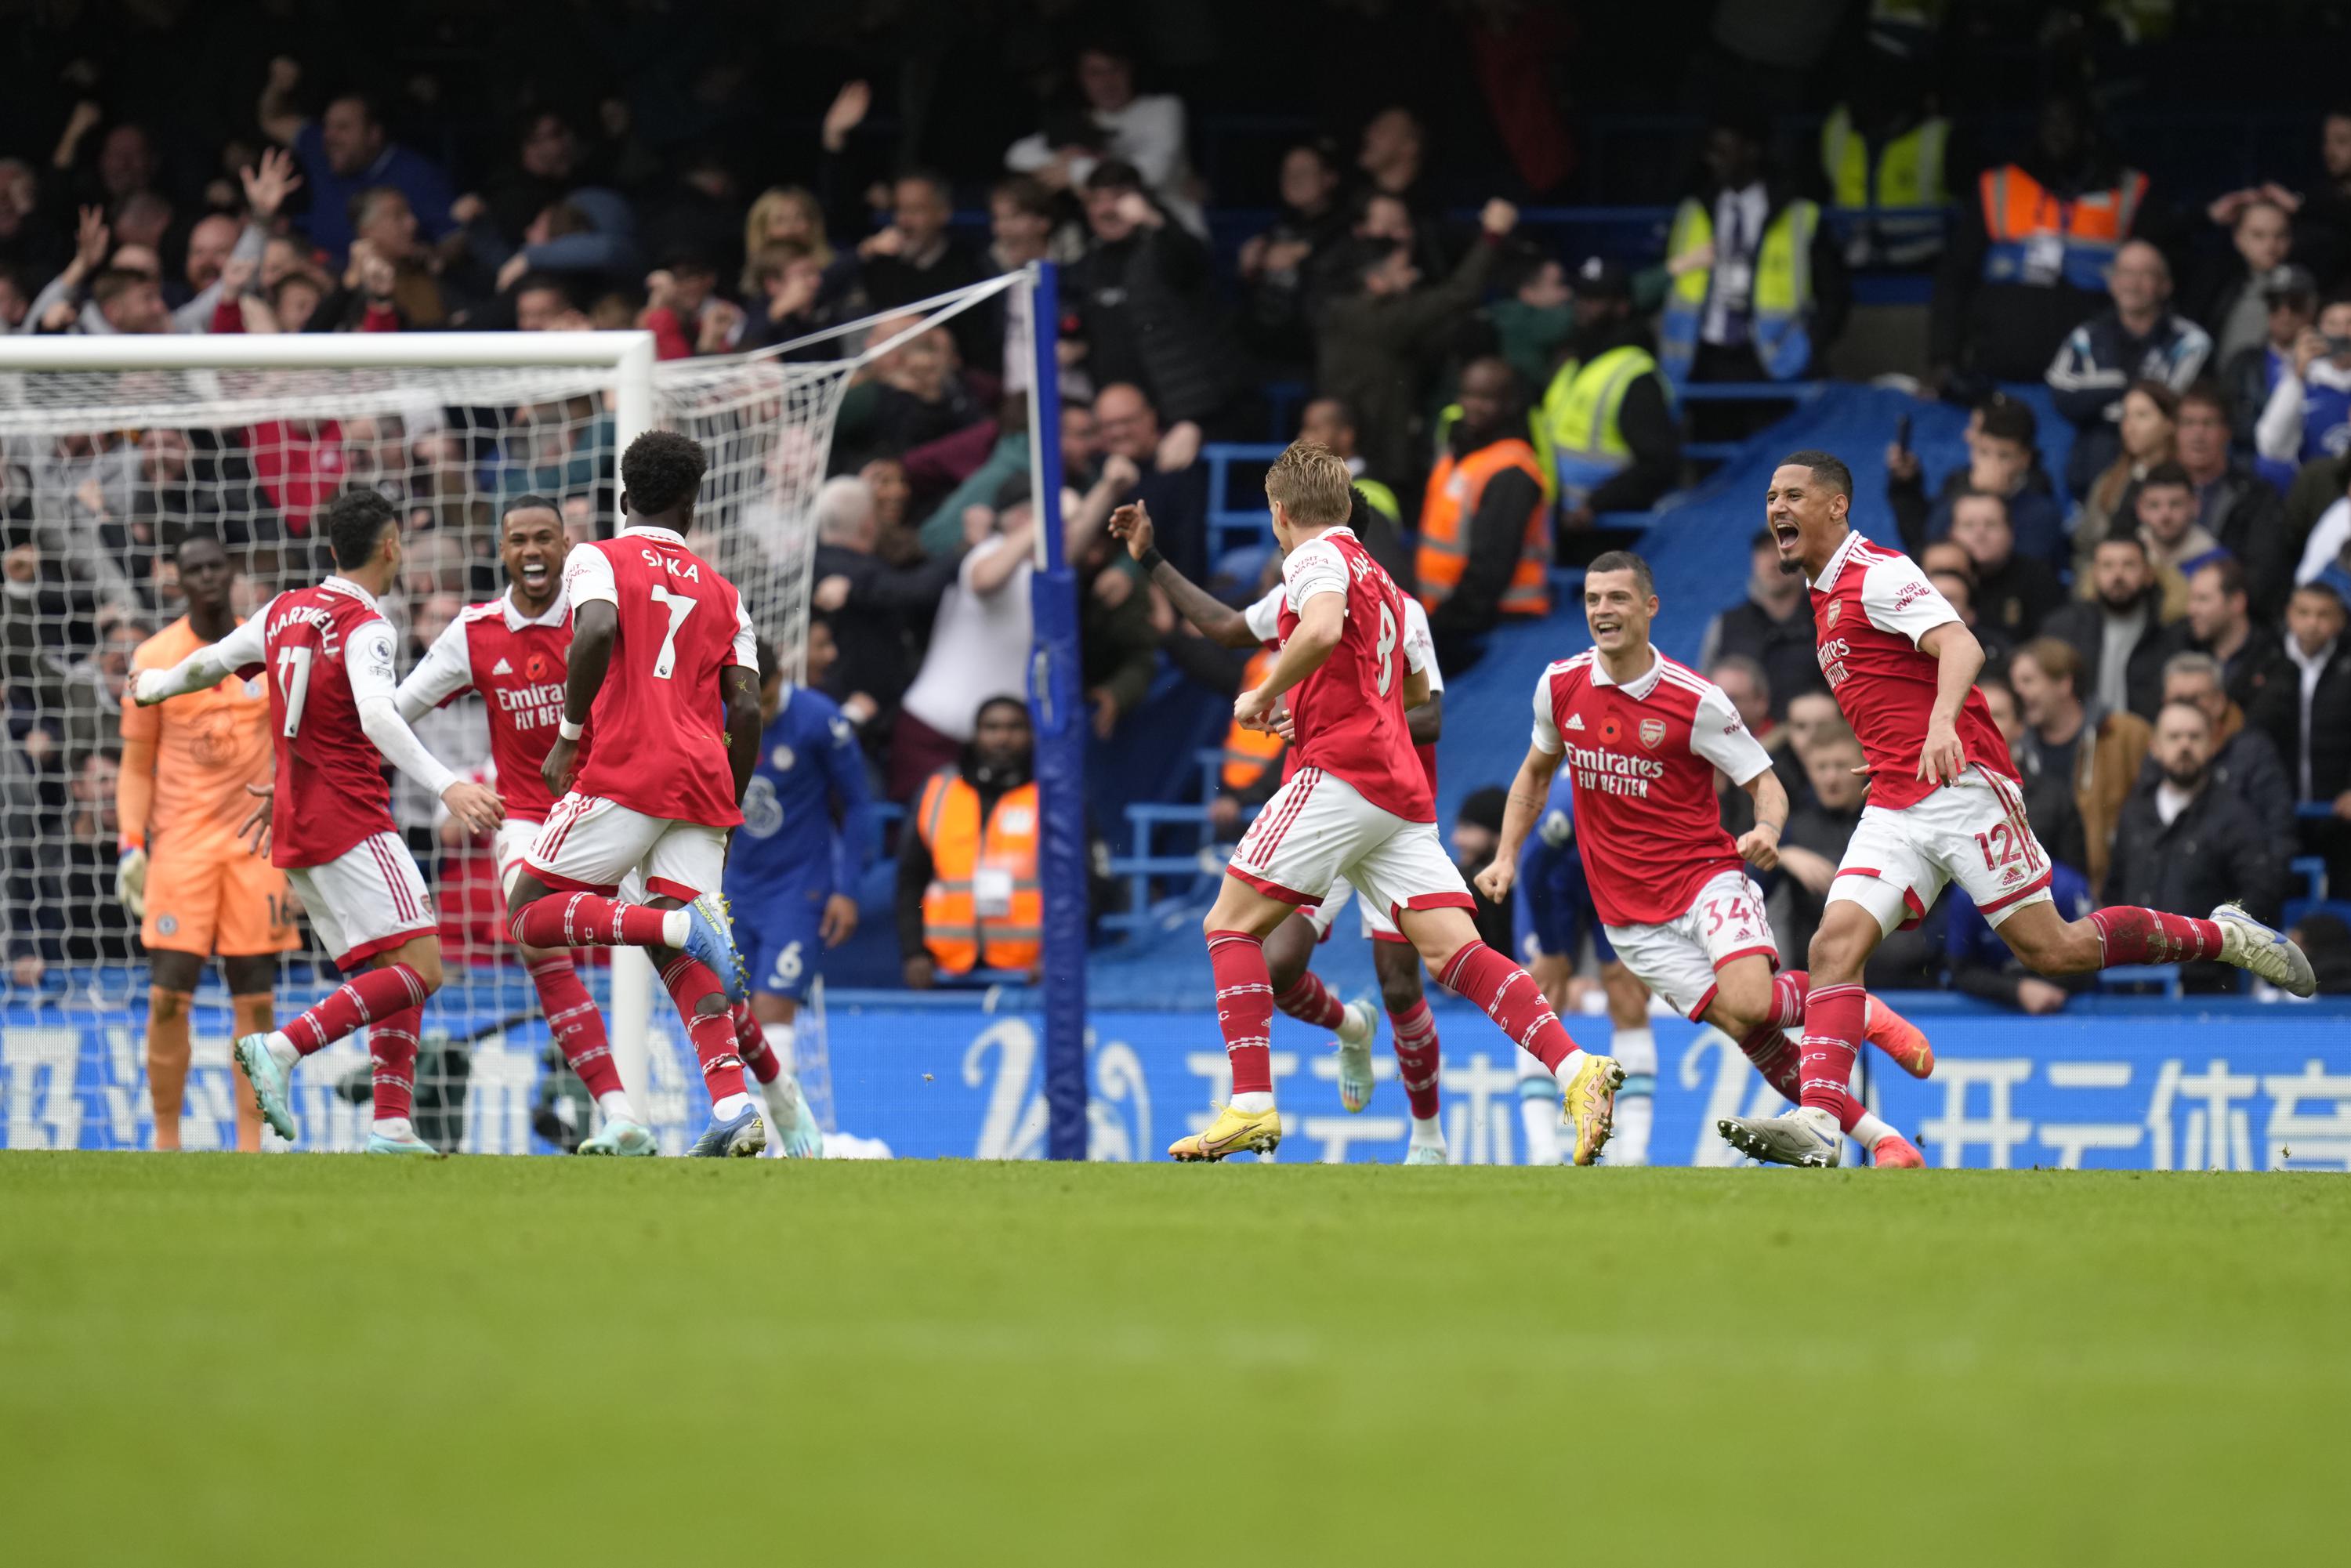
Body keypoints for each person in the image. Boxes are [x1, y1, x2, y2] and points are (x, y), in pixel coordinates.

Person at [1718, 452, 2313, 1169]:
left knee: (2052, 949)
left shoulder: (1877, 571)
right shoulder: (1822, 594)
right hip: (1898, 798)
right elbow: (1893, 683)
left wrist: (1940, 724)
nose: (1776, 508)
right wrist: (1892, 744)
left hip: (1965, 786)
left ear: (1837, 506)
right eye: (1770, 496)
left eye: (1792, 495)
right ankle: (1819, 1119)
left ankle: (2223, 935)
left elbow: (1961, 645)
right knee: (1831, 946)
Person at [1170, 443, 1625, 1164]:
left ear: (1279, 513)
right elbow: (1402, 694)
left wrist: (1262, 694)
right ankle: (1578, 1068)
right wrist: (1312, 708)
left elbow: (1318, 632)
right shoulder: (1383, 581)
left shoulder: (1313, 559)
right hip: (1398, 789)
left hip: (1343, 774)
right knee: (1456, 952)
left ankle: (1251, 1104)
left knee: (1228, 924)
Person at [1479, 553, 1931, 1170]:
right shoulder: (1560, 686)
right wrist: (1506, 854)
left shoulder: (1696, 701)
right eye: (1592, 599)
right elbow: (1533, 776)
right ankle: (1885, 1140)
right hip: (1629, 920)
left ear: (1649, 607)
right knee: (1753, 1033)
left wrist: (1767, 829)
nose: (1603, 611)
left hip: (1704, 882)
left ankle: (1857, 1005)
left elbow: (1767, 786)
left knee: (1750, 1002)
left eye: (1617, 598)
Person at [129, 491, 505, 1155]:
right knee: (424, 966)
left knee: (389, 970)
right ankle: (281, 1047)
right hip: (353, 820)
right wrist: (448, 784)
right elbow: (378, 714)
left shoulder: (282, 609)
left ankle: (389, 1124)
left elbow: (210, 663)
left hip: (295, 829)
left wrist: (155, 686)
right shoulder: (369, 623)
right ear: (391, 547)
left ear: (334, 549)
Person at [1112, 492, 1457, 1164]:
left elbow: (1431, 717)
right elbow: (1221, 624)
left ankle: (1428, 1138)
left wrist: (1345, 719)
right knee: (1278, 963)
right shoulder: (1299, 593)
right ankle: (1348, 1027)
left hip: (1385, 806)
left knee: (1400, 981)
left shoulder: (1397, 607)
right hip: (1324, 803)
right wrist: (1150, 557)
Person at [501, 432, 767, 1158]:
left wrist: (566, 733)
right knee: (689, 962)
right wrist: (727, 808)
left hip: (626, 770)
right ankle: (734, 1104)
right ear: (694, 501)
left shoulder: (598, 557)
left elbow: (594, 629)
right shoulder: (724, 592)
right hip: (704, 784)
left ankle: (676, 927)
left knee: (526, 916)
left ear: (625, 500)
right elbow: (745, 709)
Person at [114, 534, 292, 1151]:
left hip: (254, 847)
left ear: (233, 571)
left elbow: (295, 746)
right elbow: (136, 765)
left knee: (258, 1002)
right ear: (178, 580)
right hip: (181, 850)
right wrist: (129, 844)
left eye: (217, 566)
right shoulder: (155, 657)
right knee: (167, 997)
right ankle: (166, 1141)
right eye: (195, 569)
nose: (208, 578)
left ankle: (250, 1150)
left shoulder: (266, 650)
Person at [722, 623, 873, 1157]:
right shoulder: (723, 714)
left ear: (781, 676)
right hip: (733, 889)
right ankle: (766, 1130)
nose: (755, 716)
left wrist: (846, 888)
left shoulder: (820, 721)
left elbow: (858, 805)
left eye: (763, 701)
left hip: (799, 890)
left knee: (773, 1010)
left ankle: (775, 1141)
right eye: (747, 703)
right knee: (734, 1015)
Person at [1931, 89, 2151, 390]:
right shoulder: (1999, 187)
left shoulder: (2128, 190)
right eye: (2049, 122)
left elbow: (2159, 278)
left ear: (2088, 131)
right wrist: (1943, 358)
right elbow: (1955, 277)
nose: (2056, 131)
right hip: (2001, 370)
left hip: (2097, 373)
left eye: (2067, 122)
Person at [1316, 199, 1519, 509]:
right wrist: (1491, 237)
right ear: (1376, 281)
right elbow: (1458, 293)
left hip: (1358, 452)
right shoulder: (1380, 319)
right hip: (1378, 455)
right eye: (1402, 269)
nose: (1412, 275)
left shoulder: (1342, 312)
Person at [1659, 105, 1848, 388]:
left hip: (1774, 362)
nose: (1713, 161)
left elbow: (1835, 293)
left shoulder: (1797, 214)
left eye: (1723, 151)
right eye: (1710, 151)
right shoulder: (1694, 210)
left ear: (1751, 151)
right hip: (1704, 361)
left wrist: (1810, 347)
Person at [2106, 701, 2288, 991]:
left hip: (2205, 986)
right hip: (2131, 983)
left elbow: (2259, 894)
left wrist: (2215, 944)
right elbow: (2113, 890)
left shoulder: (2236, 816)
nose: (2185, 746)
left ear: (2213, 744)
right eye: (2174, 737)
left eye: (2194, 737)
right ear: (2155, 747)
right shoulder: (2134, 813)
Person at [1062, 161, 1241, 433]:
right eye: (1098, 200)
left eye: (1118, 198)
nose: (1107, 210)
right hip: (1120, 421)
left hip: (1185, 416)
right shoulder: (1088, 265)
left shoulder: (1164, 246)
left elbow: (1194, 259)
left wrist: (1154, 219)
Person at [2046, 240, 2211, 498]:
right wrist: (2120, 385)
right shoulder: (2086, 336)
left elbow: (2169, 405)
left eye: (2145, 274)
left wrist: (2101, 399)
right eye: (2125, 273)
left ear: (2165, 285)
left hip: (2163, 478)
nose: (2133, 284)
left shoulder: (2190, 341)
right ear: (2112, 281)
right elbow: (2064, 397)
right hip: (2090, 472)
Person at [898, 696, 1042, 987]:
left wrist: (1058, 957)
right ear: (975, 735)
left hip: (1028, 972)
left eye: (1015, 727)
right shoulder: (940, 790)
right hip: (946, 969)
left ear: (1031, 734)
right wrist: (914, 952)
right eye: (992, 728)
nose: (1003, 738)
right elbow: (911, 878)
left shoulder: (1052, 793)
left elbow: (1084, 885)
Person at [1418, 356, 1551, 664]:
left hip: (1497, 628)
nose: (1473, 405)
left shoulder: (1511, 470)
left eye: (1486, 398)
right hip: (1452, 620)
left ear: (1509, 404)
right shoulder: (1458, 454)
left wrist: (1440, 629)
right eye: (1468, 394)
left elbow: (1491, 567)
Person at [256, 60, 455, 265]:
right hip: (321, 276)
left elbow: (453, 237)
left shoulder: (417, 174)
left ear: (373, 135)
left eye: (343, 128)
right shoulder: (320, 147)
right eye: (328, 126)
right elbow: (273, 118)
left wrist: (431, 258)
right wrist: (277, 87)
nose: (330, 136)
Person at [1536, 256, 1680, 529]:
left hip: (1606, 529)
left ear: (1621, 307)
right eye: (1581, 297)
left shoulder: (1635, 374)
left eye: (1595, 299)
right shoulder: (1575, 363)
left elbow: (1659, 464)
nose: (1582, 307)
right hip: (1556, 520)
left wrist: (1596, 505)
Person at [2005, 636, 2150, 892]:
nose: (2018, 692)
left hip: (2112, 890)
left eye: (2028, 681)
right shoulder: (2017, 749)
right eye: (2015, 683)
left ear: (2064, 684)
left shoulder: (2125, 735)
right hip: (2042, 892)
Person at [1886, 392, 2068, 570]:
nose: (1991, 464)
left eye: (2003, 456)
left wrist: (1988, 498)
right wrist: (1907, 485)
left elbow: (2025, 571)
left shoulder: (2041, 509)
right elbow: (1925, 544)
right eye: (1983, 452)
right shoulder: (1959, 481)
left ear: (2024, 458)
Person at [2158, 651, 2298, 867]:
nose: (2187, 708)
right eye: (2178, 700)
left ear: (2219, 702)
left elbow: (2279, 836)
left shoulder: (2253, 753)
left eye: (2196, 698)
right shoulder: (2158, 755)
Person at [2174, 382, 2292, 619]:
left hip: (2230, 617)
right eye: (2188, 423)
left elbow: (2262, 574)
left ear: (2227, 432)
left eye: (2208, 423)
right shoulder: (2147, 487)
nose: (2198, 434)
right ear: (2174, 431)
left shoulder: (2256, 495)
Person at [2042, 534, 2185, 721]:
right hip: (2084, 738)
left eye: (2129, 565)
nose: (2118, 575)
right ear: (2094, 574)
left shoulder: (2171, 628)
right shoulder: (2064, 628)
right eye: (2108, 566)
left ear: (2149, 574)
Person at [1700, 530, 1827, 722]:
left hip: (1823, 740)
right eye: (1764, 551)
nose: (1772, 561)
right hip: (1747, 744)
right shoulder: (1726, 625)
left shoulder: (1829, 617)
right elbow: (1705, 698)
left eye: (1782, 549)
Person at [2224, 264, 2319, 473]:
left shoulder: (2330, 366)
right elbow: (2235, 428)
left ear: (2311, 309)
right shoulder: (2244, 365)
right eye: (2275, 304)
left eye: (2295, 304)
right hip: (2256, 474)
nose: (2285, 313)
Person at [2255, 289, 2351, 482]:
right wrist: (2297, 374)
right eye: (2333, 324)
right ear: (2318, 330)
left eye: (2350, 323)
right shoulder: (2301, 381)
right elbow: (2271, 445)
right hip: (2314, 491)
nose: (2342, 332)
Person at [2187, 197, 2295, 368]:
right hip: (2215, 388)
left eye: (2280, 235)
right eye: (2258, 235)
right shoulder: (2216, 282)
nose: (2271, 245)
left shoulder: (2302, 288)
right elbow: (2159, 241)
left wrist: (2303, 209)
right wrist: (2207, 215)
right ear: (2238, 238)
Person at [1945, 489, 2065, 643]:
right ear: (1951, 533)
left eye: (1991, 524)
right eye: (1969, 525)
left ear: (2010, 531)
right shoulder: (1932, 575)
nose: (1980, 533)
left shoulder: (2037, 577)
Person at [2184, 556, 2291, 715]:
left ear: (2237, 602)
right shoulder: (2184, 649)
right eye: (2192, 599)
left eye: (2203, 599)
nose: (2192, 610)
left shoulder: (2274, 658)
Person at [2131, 462, 2222, 610]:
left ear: (2195, 506)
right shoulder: (2124, 557)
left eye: (2176, 504)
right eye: (2154, 505)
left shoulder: (2217, 564)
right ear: (2140, 509)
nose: (2165, 515)